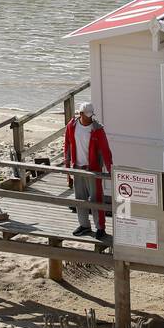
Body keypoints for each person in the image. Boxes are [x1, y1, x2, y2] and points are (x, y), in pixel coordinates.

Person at [63, 101, 112, 239]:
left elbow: (106, 151)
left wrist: (110, 169)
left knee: (96, 200)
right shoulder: (71, 126)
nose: (90, 118)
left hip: (93, 170)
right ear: (81, 114)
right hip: (77, 168)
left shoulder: (98, 129)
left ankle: (100, 227)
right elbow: (66, 146)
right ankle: (84, 225)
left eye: (91, 115)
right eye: (87, 115)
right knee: (80, 199)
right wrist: (68, 170)